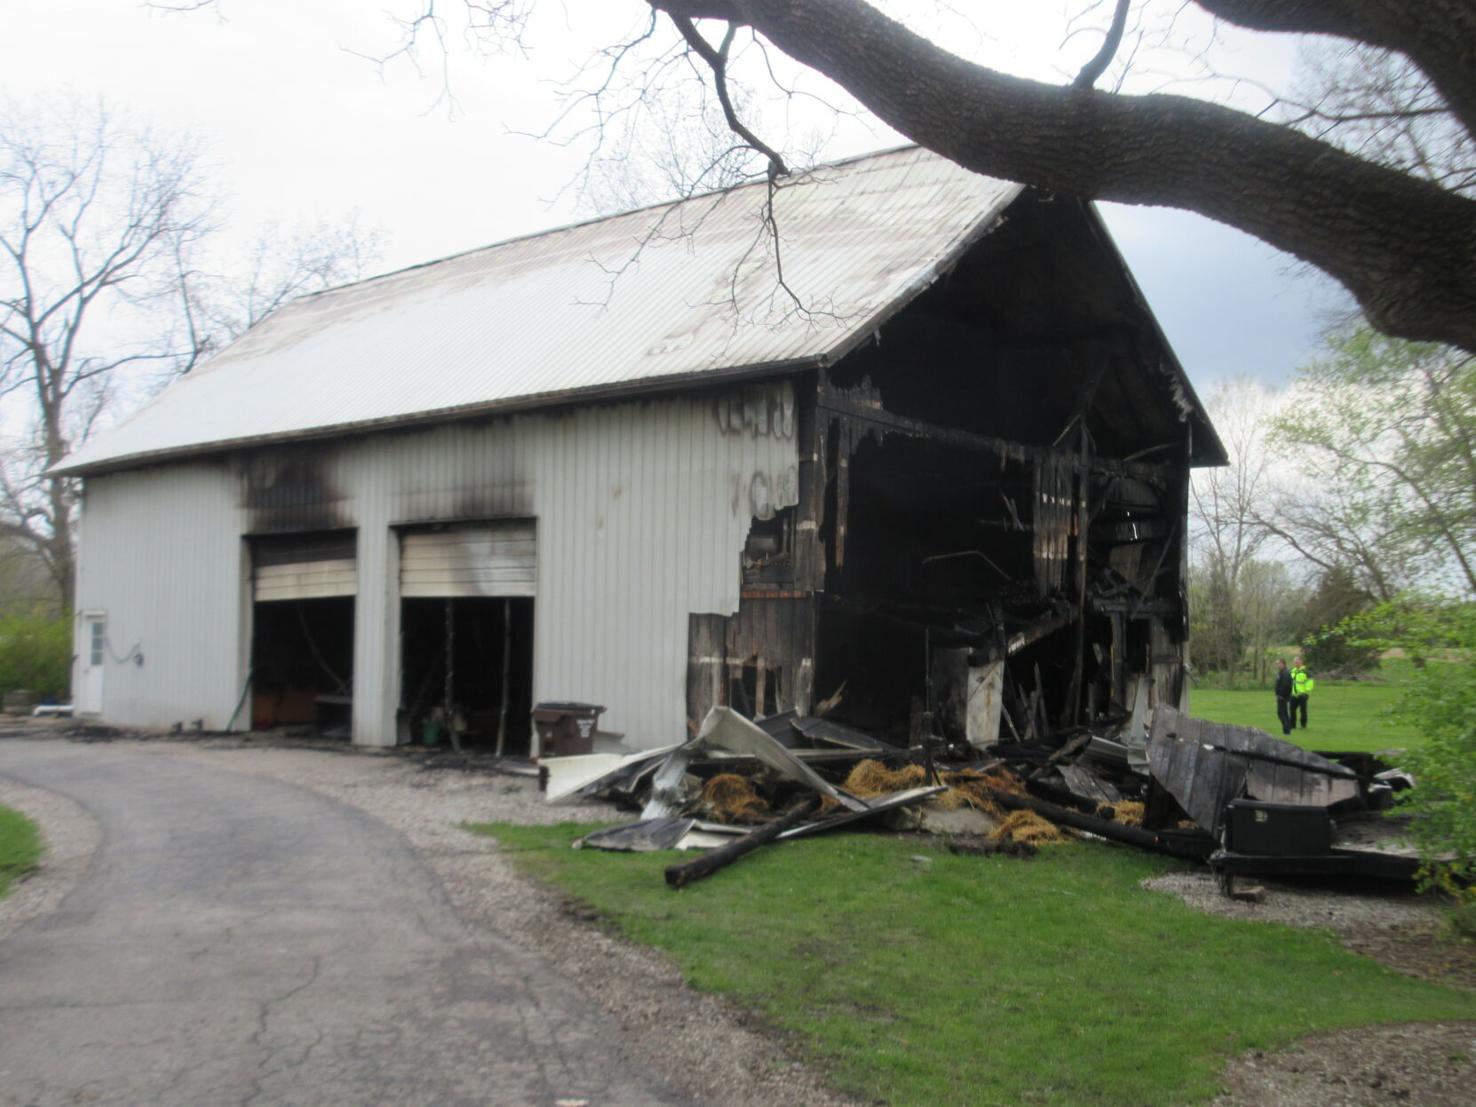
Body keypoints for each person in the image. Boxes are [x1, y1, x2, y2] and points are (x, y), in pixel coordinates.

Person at [1290, 655, 1314, 729]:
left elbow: (1310, 682)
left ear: (1301, 662)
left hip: (1302, 694)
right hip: (1293, 694)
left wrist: (1306, 692)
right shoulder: (1292, 671)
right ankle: (1292, 725)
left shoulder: (1305, 671)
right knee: (1292, 710)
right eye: (1295, 662)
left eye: (1297, 662)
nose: (1296, 663)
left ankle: (1303, 725)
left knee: (1303, 711)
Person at [1274, 658, 1294, 735]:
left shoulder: (1285, 673)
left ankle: (1286, 731)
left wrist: (1281, 695)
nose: (1276, 665)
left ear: (1282, 663)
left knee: (1281, 713)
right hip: (1282, 696)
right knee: (1284, 713)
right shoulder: (1282, 672)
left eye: (1278, 663)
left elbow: (1285, 685)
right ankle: (1287, 729)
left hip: (1283, 697)